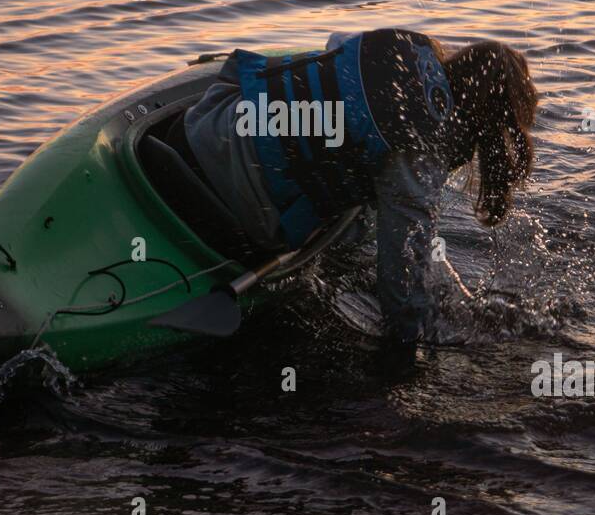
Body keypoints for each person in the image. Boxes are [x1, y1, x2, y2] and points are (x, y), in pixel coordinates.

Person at [177, 28, 537, 363]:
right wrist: (416, 342)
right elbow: (401, 290)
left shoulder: (405, 46)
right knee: (363, 219)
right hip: (239, 194)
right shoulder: (419, 154)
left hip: (213, 115)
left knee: (361, 160)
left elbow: (337, 45)